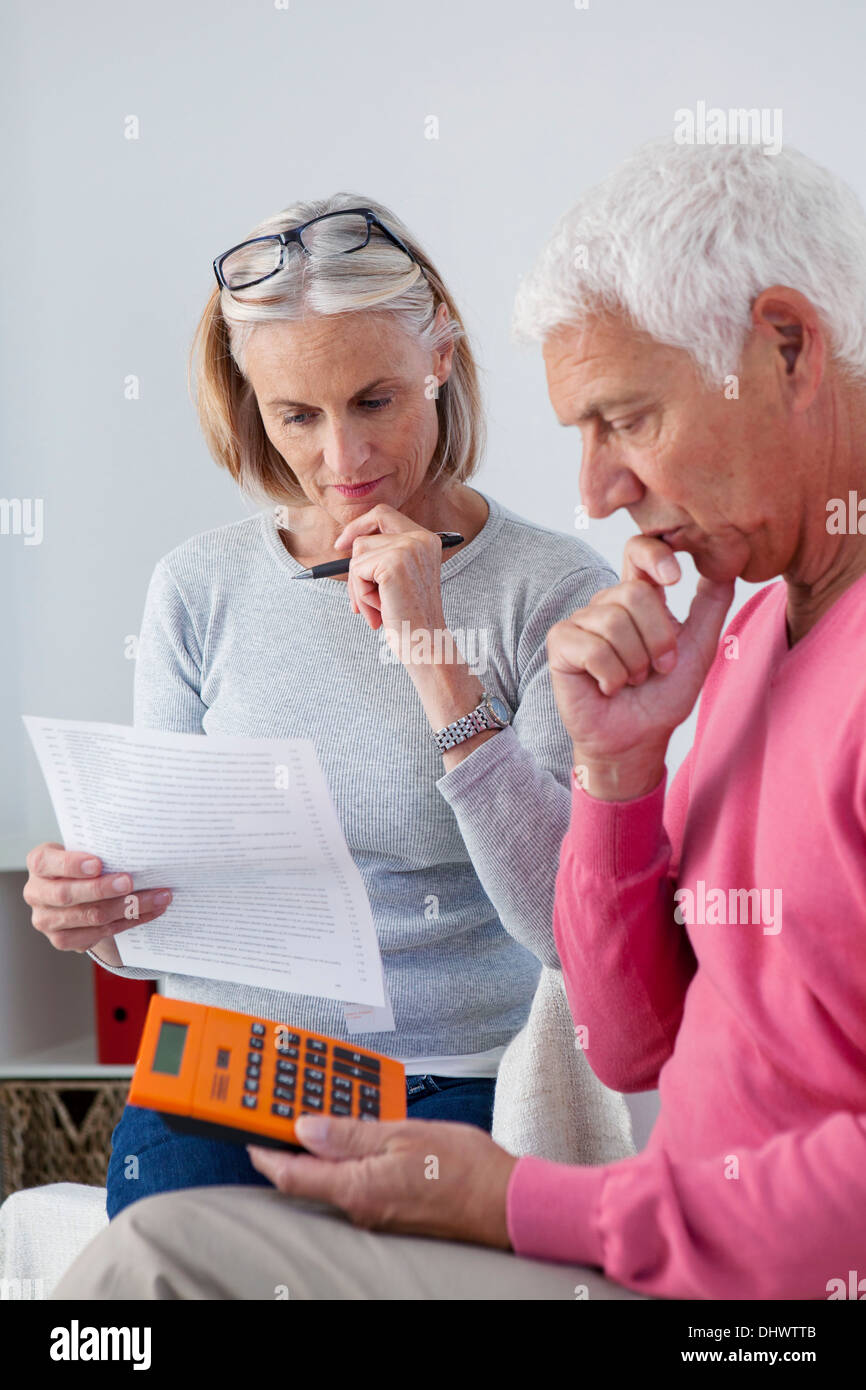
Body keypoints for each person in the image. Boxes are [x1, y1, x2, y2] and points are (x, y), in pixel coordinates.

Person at [50, 137, 866, 1301]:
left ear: (784, 347)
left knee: (144, 1271)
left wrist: (520, 1196)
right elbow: (634, 1032)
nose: (594, 492)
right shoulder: (743, 625)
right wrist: (618, 773)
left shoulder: (567, 588)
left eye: (623, 419)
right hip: (265, 1084)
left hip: (654, 1236)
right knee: (141, 1255)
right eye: (294, 415)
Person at [24, 194, 620, 1220]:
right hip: (219, 1070)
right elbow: (157, 916)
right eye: (297, 415)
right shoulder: (198, 586)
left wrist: (432, 654)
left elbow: (566, 928)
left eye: (373, 400)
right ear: (250, 401)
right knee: (156, 1277)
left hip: (456, 1081)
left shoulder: (552, 588)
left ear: (440, 353)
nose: (342, 460)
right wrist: (95, 920)